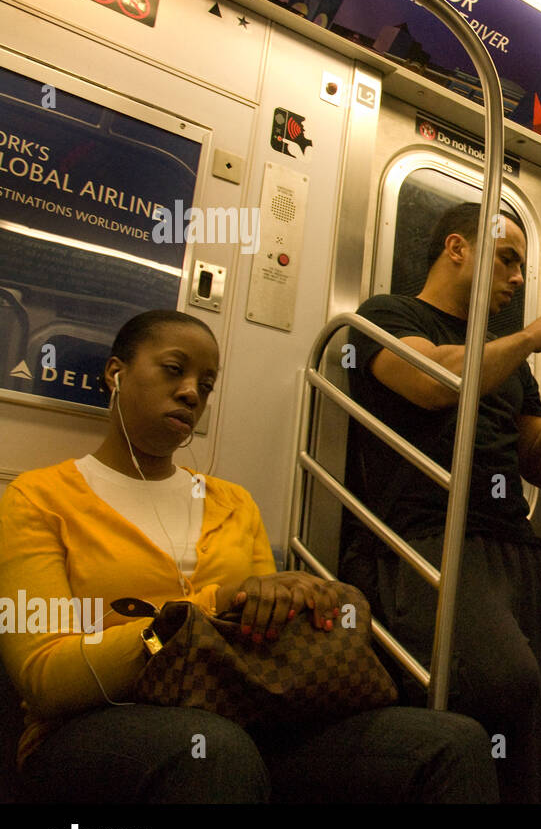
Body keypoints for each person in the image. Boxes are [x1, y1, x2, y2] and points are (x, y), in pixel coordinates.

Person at [0, 310, 498, 803]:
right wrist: (211, 606)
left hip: (236, 713)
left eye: (207, 384)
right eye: (174, 370)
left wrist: (294, 602)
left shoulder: (232, 503)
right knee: (211, 751)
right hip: (88, 728)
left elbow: (264, 644)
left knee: (449, 742)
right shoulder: (39, 498)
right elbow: (45, 677)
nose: (192, 393)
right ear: (116, 373)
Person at [342, 202, 541, 803]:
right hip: (429, 540)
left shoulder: (507, 363)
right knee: (498, 682)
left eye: (521, 268)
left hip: (513, 547)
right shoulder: (387, 315)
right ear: (457, 248)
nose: (515, 278)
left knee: (537, 719)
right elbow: (433, 383)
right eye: (506, 260)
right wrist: (531, 337)